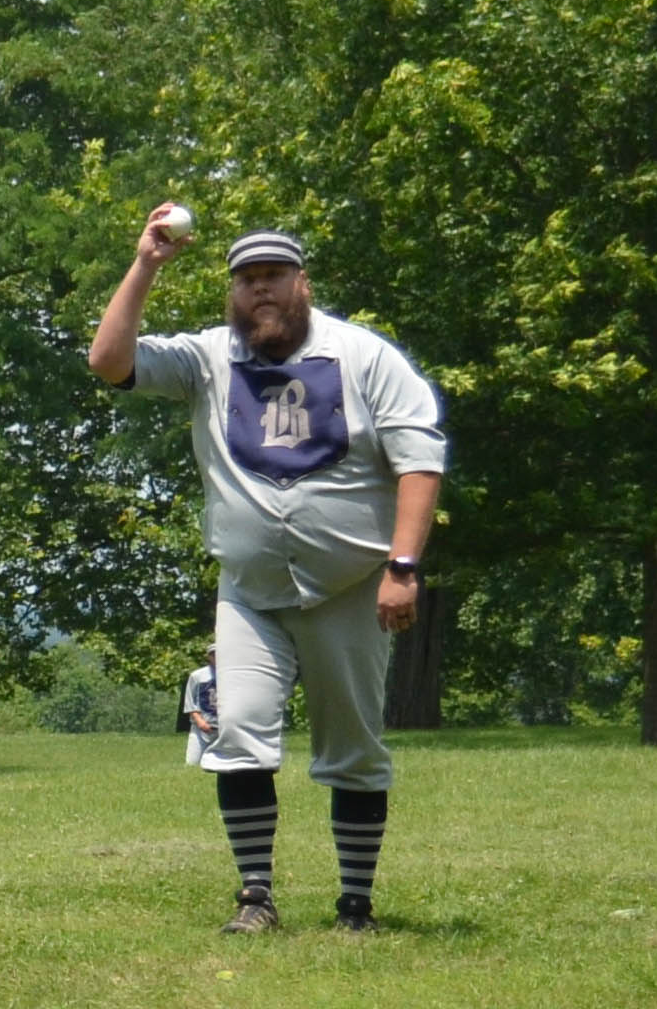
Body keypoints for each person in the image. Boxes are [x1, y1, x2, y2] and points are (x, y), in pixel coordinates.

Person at [89, 205, 446, 934]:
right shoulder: (210, 358)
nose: (261, 289)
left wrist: (403, 567)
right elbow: (109, 362)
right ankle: (256, 900)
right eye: (247, 278)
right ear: (233, 291)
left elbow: (419, 460)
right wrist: (147, 264)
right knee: (240, 737)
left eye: (275, 275)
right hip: (250, 593)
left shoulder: (364, 357)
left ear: (302, 283)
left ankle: (355, 907)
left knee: (354, 748)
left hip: (350, 589)